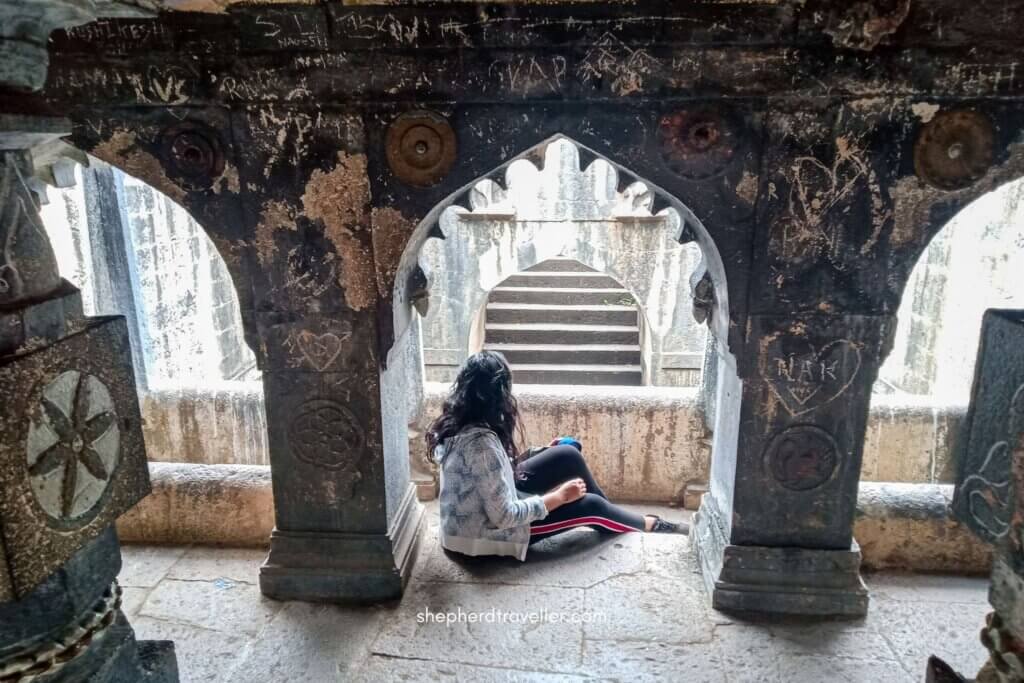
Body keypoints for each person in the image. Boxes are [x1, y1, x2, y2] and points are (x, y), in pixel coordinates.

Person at [426, 350, 686, 561]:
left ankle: (612, 518)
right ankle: (645, 523)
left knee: (566, 454)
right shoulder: (481, 445)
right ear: (497, 395)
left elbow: (488, 474)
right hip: (483, 536)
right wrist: (559, 497)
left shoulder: (460, 423)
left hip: (477, 516)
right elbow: (504, 516)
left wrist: (541, 452)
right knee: (591, 506)